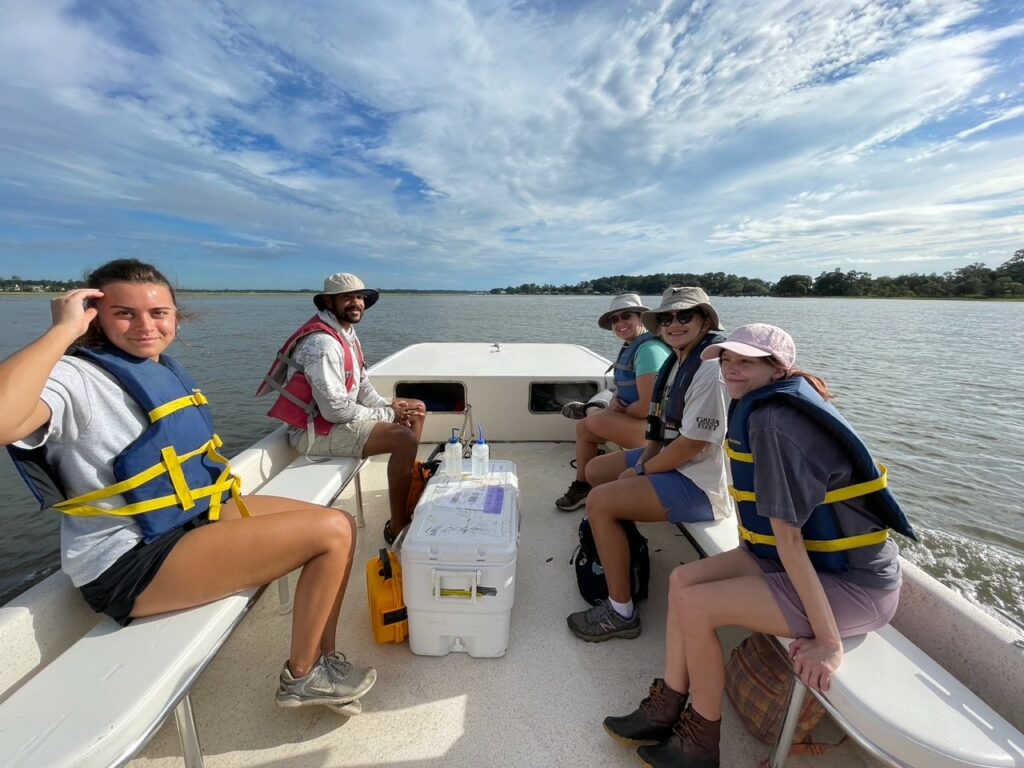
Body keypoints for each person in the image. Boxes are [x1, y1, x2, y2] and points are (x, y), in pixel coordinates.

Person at [0, 259, 375, 713]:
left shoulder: (157, 369)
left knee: (339, 525)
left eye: (158, 313)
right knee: (330, 531)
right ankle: (302, 676)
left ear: (176, 317)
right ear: (93, 317)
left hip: (187, 521)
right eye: (124, 313)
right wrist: (62, 332)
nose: (144, 325)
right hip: (131, 561)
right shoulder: (74, 378)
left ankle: (320, 661)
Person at [603, 324, 915, 768]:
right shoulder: (760, 406)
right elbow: (780, 542)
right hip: (795, 561)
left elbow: (787, 537)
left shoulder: (774, 422)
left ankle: (700, 743)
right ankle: (667, 704)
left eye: (745, 362)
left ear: (777, 368)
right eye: (727, 360)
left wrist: (828, 643)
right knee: (683, 579)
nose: (731, 370)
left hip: (854, 584)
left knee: (698, 604)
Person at [566, 287, 731, 642]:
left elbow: (694, 443)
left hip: (700, 484)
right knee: (596, 472)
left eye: (685, 316)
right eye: (667, 317)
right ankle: (620, 540)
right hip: (672, 461)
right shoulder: (678, 360)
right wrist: (643, 461)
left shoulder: (710, 370)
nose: (674, 323)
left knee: (600, 501)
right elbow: (658, 427)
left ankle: (620, 612)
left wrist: (641, 470)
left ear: (705, 319)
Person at [258, 272, 426, 544]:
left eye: (360, 297)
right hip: (315, 432)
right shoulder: (322, 344)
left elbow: (361, 385)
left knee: (416, 408)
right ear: (328, 301)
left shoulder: (346, 334)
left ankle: (408, 493)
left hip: (336, 421)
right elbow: (335, 411)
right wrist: (388, 414)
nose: (356, 303)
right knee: (403, 438)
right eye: (347, 297)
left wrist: (388, 405)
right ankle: (398, 527)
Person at [555, 294, 671, 511]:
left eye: (626, 316)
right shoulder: (633, 346)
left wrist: (620, 411)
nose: (620, 323)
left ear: (642, 319)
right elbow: (634, 391)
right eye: (614, 320)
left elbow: (647, 407)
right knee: (584, 428)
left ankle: (589, 408)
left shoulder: (649, 350)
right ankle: (582, 485)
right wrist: (618, 400)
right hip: (639, 423)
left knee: (595, 422)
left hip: (658, 434)